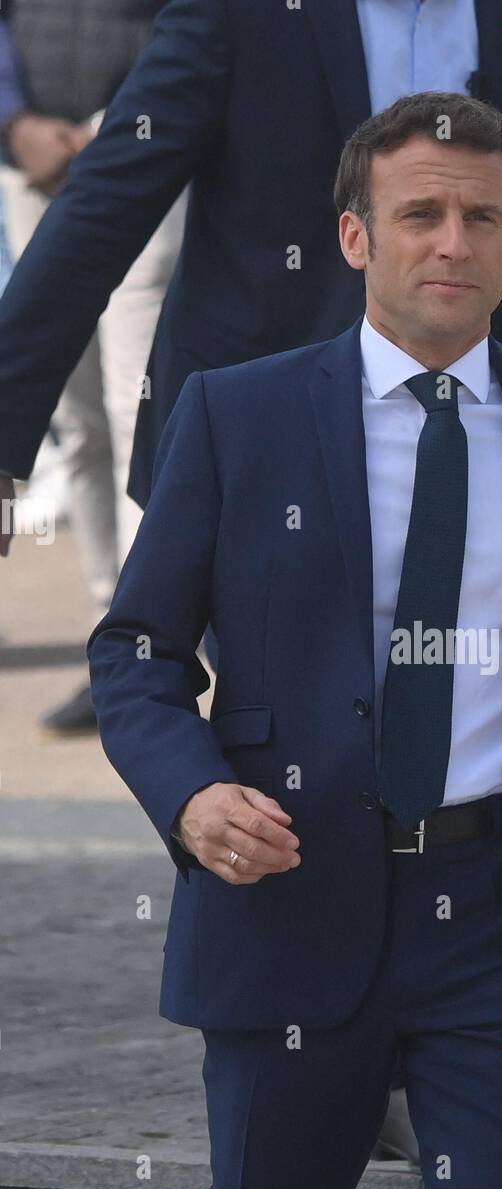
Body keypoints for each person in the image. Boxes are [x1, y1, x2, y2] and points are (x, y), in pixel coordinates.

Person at [85, 90, 502, 1189]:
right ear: (356, 236)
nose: (452, 243)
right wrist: (193, 797)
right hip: (293, 899)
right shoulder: (235, 414)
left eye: (482, 217)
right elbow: (136, 653)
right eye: (419, 213)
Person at [0, 0, 502, 578]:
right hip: (263, 449)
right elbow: (106, 204)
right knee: (291, 718)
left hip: (464, 444)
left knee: (456, 709)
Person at [0, 1, 186, 734]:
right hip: (33, 168)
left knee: (134, 409)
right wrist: (14, 122)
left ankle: (151, 651)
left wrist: (125, 123)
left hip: (145, 154)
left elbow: (196, 25)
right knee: (76, 422)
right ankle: (113, 649)